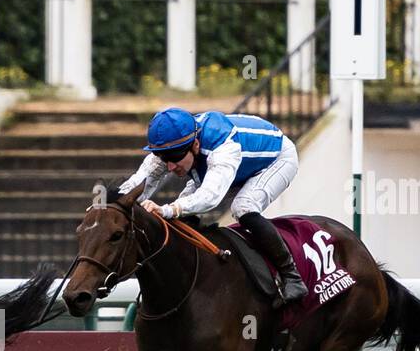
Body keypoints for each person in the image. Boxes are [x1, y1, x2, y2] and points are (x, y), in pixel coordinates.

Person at [121, 108, 307, 307]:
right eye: (163, 158)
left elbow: (210, 196)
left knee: (243, 207)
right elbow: (137, 185)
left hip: (276, 159)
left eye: (175, 157)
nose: (170, 166)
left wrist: (168, 209)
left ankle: (292, 276)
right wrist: (111, 203)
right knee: (181, 215)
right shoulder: (175, 145)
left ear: (195, 144)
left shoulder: (222, 147)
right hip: (234, 163)